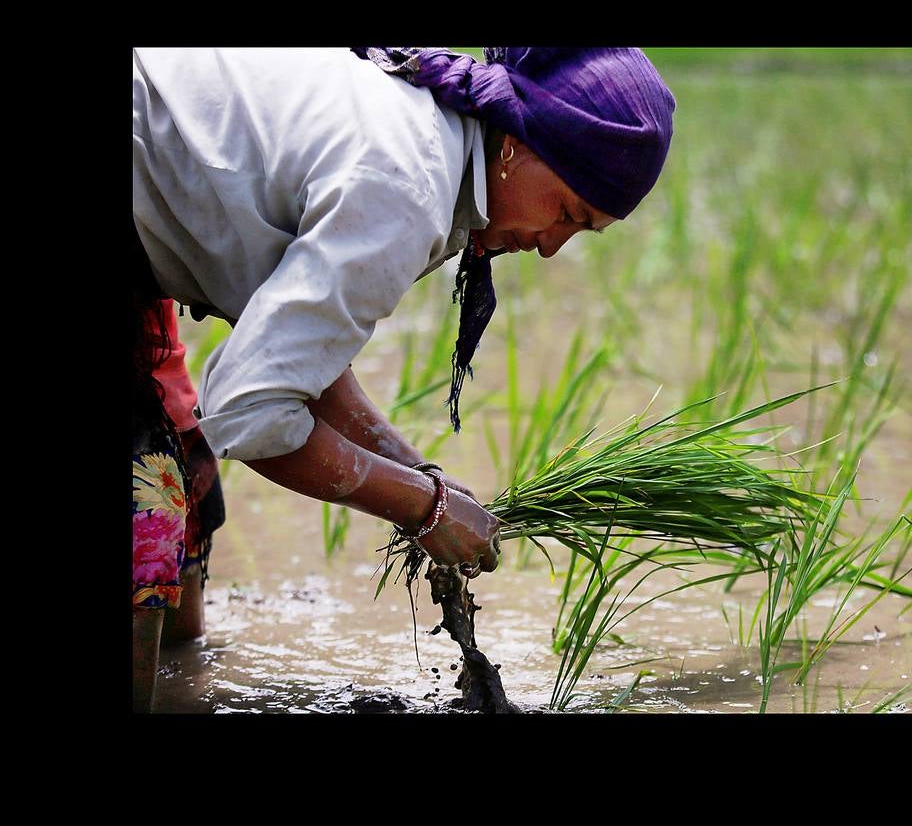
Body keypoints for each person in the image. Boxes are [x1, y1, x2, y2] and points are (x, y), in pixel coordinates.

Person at [131, 46, 676, 711]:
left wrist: (421, 473)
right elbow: (250, 414)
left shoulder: (437, 154)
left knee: (187, 513)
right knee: (147, 518)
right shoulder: (407, 185)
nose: (551, 245)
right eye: (566, 211)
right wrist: (424, 508)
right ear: (517, 145)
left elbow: (301, 357)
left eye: (583, 232)